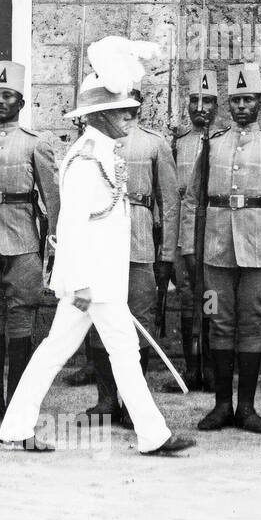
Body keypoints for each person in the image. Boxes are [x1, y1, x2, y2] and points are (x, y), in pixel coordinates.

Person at [0, 38, 193, 456]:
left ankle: (16, 427)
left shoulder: (103, 151)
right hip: (92, 284)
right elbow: (71, 225)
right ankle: (153, 435)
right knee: (117, 351)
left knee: (59, 351)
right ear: (99, 115)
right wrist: (81, 283)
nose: (131, 116)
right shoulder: (87, 159)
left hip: (99, 282)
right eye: (122, 111)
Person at [180, 62, 261, 434]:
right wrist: (189, 247)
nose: (242, 106)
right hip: (216, 252)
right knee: (218, 322)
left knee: (252, 324)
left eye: (249, 99)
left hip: (259, 251)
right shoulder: (212, 146)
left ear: (260, 101)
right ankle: (221, 405)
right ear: (228, 105)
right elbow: (193, 198)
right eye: (236, 100)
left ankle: (246, 407)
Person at [0, 60, 59, 425]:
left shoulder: (35, 144)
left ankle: (18, 401)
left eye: (8, 96)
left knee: (21, 318)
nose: (1, 101)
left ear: (20, 102)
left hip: (22, 242)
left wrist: (54, 250)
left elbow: (54, 202)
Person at [81, 87, 179, 426]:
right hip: (102, 244)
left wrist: (166, 253)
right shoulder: (92, 143)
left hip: (139, 243)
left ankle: (134, 406)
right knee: (99, 322)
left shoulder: (154, 143)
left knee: (141, 322)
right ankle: (106, 400)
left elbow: (170, 203)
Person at [163, 69, 221, 393]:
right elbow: (170, 197)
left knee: (210, 301)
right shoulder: (178, 144)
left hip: (212, 238)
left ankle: (210, 368)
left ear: (217, 105)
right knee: (188, 302)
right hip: (184, 239)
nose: (201, 108)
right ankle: (190, 368)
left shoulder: (223, 142)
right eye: (195, 101)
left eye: (208, 101)